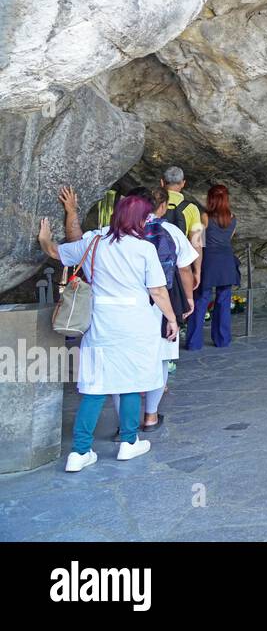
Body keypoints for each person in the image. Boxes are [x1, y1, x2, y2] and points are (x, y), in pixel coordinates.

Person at [38, 194, 179, 472]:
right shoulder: (144, 249)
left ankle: (79, 452)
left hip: (101, 323)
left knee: (95, 388)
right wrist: (172, 318)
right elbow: (157, 290)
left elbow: (54, 252)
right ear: (140, 220)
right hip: (136, 324)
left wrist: (44, 238)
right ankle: (129, 442)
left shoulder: (94, 243)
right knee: (131, 383)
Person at [57, 186, 194, 433]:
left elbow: (72, 245)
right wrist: (186, 302)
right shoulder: (169, 232)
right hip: (154, 310)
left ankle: (115, 432)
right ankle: (150, 417)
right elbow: (181, 270)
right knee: (158, 363)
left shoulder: (100, 236)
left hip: (106, 316)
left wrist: (70, 214)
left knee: (111, 379)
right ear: (158, 207)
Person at [189, 185, 240, 350]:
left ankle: (194, 342)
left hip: (209, 262)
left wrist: (195, 268)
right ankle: (222, 339)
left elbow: (196, 241)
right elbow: (228, 239)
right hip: (227, 262)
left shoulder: (204, 217)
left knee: (201, 300)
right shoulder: (233, 218)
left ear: (210, 198)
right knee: (224, 302)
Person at [160, 166, 204, 292]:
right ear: (183, 183)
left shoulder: (151, 204)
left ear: (162, 182)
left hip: (153, 263)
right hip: (179, 265)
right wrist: (197, 271)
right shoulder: (192, 208)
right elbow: (197, 242)